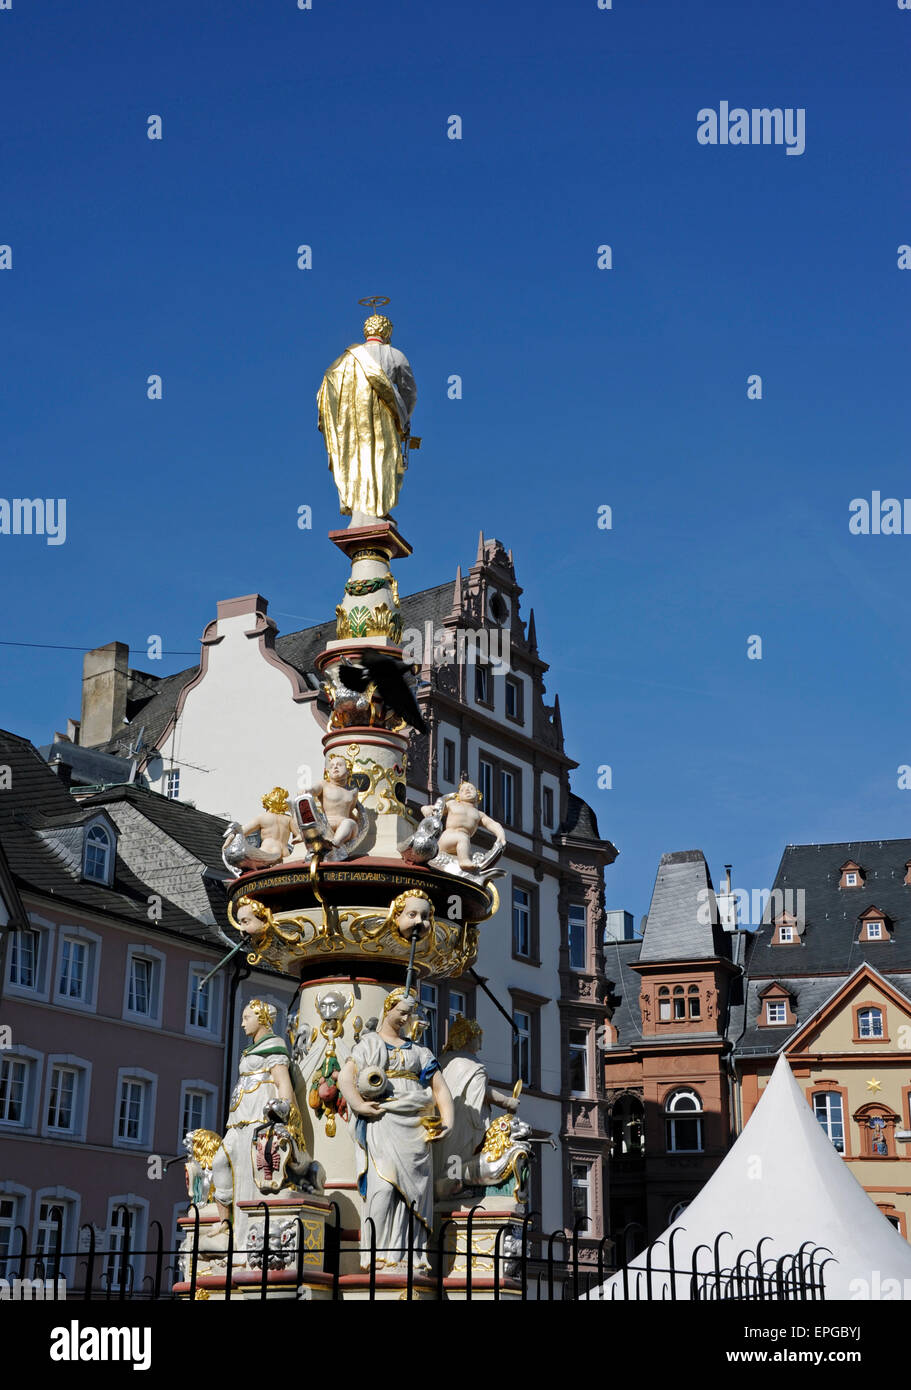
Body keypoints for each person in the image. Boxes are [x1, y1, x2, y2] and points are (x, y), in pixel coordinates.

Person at [338, 986, 453, 1271]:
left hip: (416, 1127)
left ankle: (410, 1255)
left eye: (409, 1013)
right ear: (387, 1009)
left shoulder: (419, 1051)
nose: (405, 1018)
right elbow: (345, 1078)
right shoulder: (369, 1044)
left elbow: (440, 1089)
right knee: (383, 1190)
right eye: (401, 1012)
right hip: (383, 1121)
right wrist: (358, 1105)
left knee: (415, 1196)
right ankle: (375, 1254)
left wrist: (448, 1122)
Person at [211, 999, 312, 1243]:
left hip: (258, 1117)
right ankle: (226, 1221)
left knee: (249, 1174)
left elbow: (282, 1083)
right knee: (219, 1161)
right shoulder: (253, 1049)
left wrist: (282, 1111)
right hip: (239, 1119)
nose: (243, 1023)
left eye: (247, 1018)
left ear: (262, 1019)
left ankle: (245, 1235)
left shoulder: (275, 1047)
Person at [317, 313, 417, 526]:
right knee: (381, 460)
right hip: (384, 421)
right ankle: (376, 511)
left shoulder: (345, 360)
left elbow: (327, 387)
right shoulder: (395, 355)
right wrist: (403, 418)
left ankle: (362, 514)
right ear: (387, 333)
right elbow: (410, 393)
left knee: (357, 461)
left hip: (353, 425)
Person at [436, 1015, 519, 1196]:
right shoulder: (472, 1065)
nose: (480, 1046)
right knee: (460, 1154)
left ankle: (445, 1189)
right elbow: (481, 1093)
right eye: (478, 1040)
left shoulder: (442, 1061)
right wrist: (507, 1101)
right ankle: (454, 1190)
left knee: (446, 1155)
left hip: (443, 1117)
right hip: (465, 1119)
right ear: (467, 1039)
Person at [425, 780, 506, 871]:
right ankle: (464, 861)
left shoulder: (479, 814)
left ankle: (464, 860)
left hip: (463, 843)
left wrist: (501, 835)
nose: (467, 790)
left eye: (471, 789)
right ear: (458, 795)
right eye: (463, 790)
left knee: (464, 840)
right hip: (448, 837)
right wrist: (426, 809)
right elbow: (435, 809)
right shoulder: (452, 804)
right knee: (462, 837)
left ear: (478, 795)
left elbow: (492, 824)